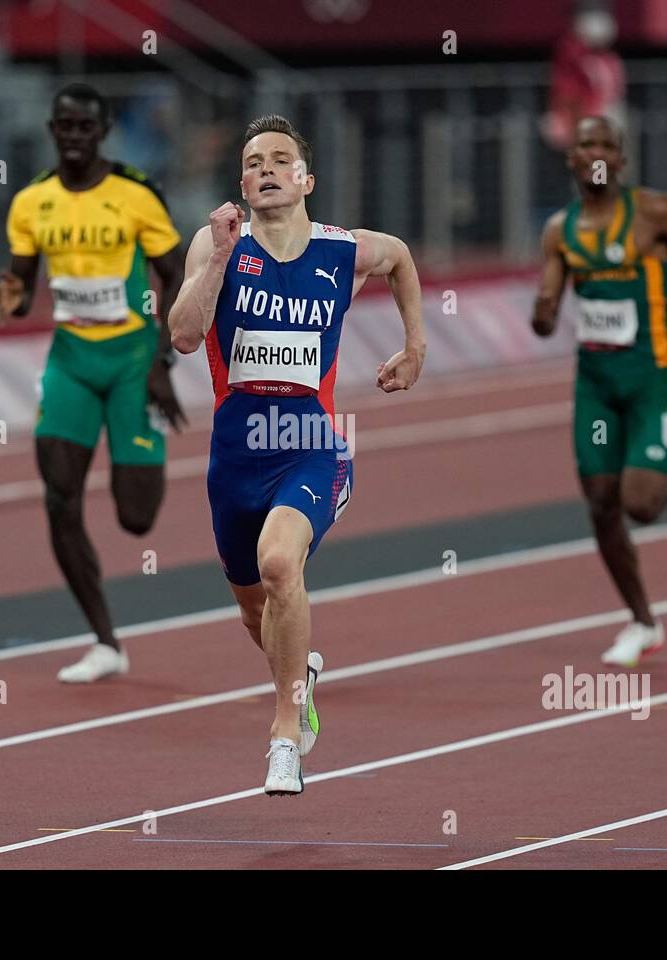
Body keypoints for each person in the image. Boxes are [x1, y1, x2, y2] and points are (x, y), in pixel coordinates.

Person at [167, 115, 426, 795]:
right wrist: (219, 258)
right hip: (235, 459)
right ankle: (299, 672)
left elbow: (398, 254)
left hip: (309, 446)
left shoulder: (341, 252)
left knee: (280, 564)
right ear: (243, 184)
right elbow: (185, 336)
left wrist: (415, 345)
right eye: (254, 163)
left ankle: (286, 731)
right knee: (258, 613)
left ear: (307, 179)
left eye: (282, 160)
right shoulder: (218, 244)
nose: (267, 170)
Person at [0, 83, 186, 683]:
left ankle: (140, 448)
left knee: (136, 519)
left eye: (85, 128)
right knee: (58, 497)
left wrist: (160, 362)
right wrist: (13, 295)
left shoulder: (135, 194)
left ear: (101, 132)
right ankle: (105, 641)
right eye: (64, 127)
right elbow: (22, 284)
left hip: (131, 361)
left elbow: (175, 275)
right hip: (70, 362)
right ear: (52, 130)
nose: (74, 136)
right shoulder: (31, 203)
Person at [532, 115, 667, 668]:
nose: (594, 152)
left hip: (650, 377)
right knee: (600, 505)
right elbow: (545, 314)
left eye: (605, 144)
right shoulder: (559, 231)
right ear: (571, 159)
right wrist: (544, 313)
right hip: (595, 385)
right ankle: (644, 621)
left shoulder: (655, 213)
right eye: (584, 143)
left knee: (639, 505)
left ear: (620, 160)